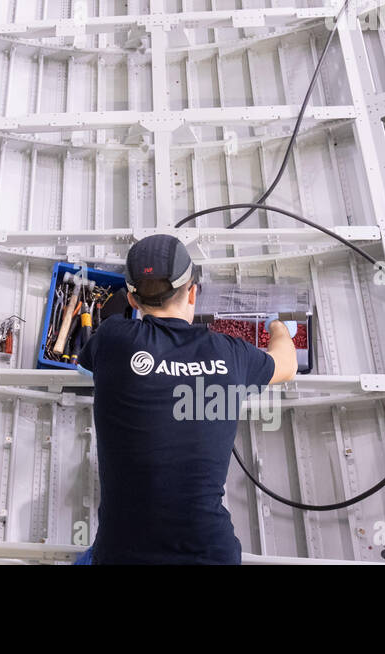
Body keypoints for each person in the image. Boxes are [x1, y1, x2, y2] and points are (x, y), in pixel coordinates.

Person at [71, 234, 297, 565]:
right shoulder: (230, 354)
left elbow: (84, 367)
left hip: (121, 555)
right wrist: (278, 326)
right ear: (193, 292)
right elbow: (287, 365)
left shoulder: (113, 340)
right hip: (208, 555)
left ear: (133, 301)